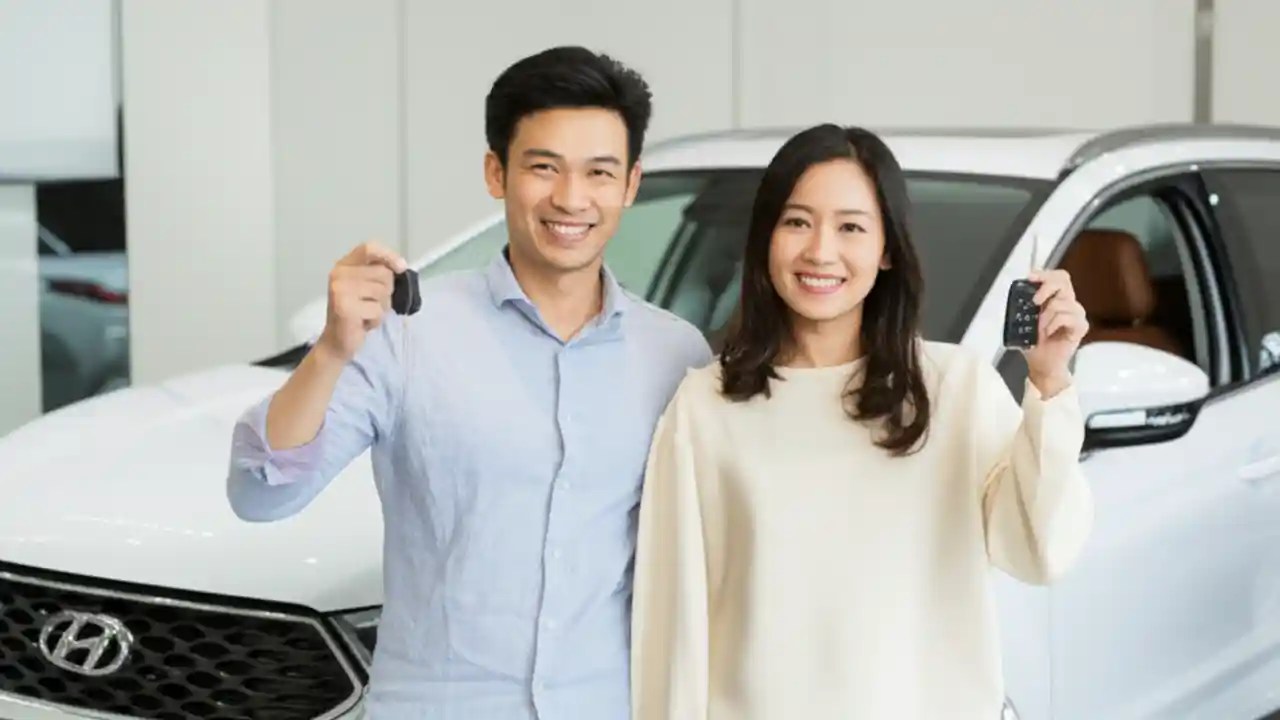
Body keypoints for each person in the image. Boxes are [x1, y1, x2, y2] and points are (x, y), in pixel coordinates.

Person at [226, 46, 711, 719]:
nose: (571, 199)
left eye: (599, 173)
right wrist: (332, 352)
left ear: (630, 185)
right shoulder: (406, 332)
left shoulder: (676, 354)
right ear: (496, 172)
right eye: (544, 167)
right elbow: (259, 495)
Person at [630, 123, 1094, 719]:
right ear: (766, 237)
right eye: (797, 221)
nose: (820, 251)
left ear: (887, 249)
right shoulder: (705, 407)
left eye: (850, 226)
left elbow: (1042, 550)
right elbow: (673, 627)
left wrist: (1050, 383)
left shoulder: (955, 389)